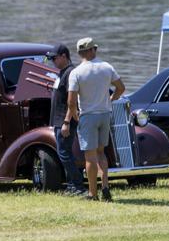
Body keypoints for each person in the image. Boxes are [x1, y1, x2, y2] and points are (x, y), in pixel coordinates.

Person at [67, 38, 125, 202]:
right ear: (93, 50)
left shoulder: (76, 72)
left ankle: (93, 193)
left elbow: (71, 101)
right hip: (105, 114)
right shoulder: (107, 67)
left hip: (88, 115)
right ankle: (105, 186)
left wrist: (74, 114)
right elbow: (121, 88)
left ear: (80, 53)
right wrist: (111, 99)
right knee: (101, 152)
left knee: (90, 156)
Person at [47, 43, 86, 196]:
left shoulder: (71, 73)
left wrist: (66, 122)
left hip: (65, 120)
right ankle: (71, 185)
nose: (53, 62)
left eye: (55, 58)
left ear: (64, 56)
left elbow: (73, 101)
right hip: (59, 120)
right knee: (64, 152)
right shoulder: (62, 72)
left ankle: (78, 185)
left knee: (64, 153)